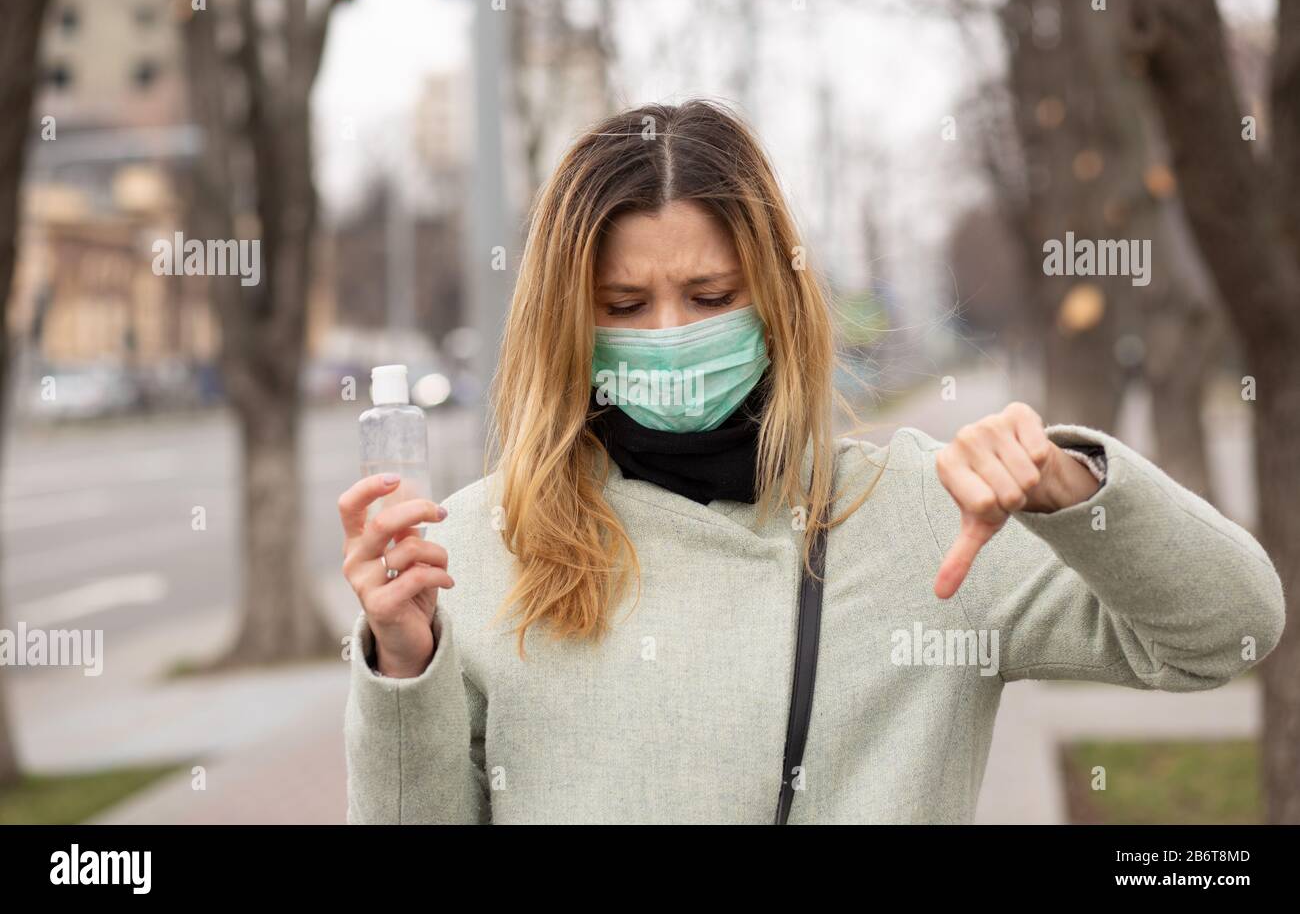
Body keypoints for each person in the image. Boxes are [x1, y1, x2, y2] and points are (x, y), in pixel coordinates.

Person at [337, 100, 1284, 824]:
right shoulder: (472, 544)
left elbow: (1227, 633)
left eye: (709, 294)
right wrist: (403, 658)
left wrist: (1073, 491)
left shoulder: (921, 512)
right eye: (623, 307)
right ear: (564, 324)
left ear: (778, 298)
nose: (669, 336)